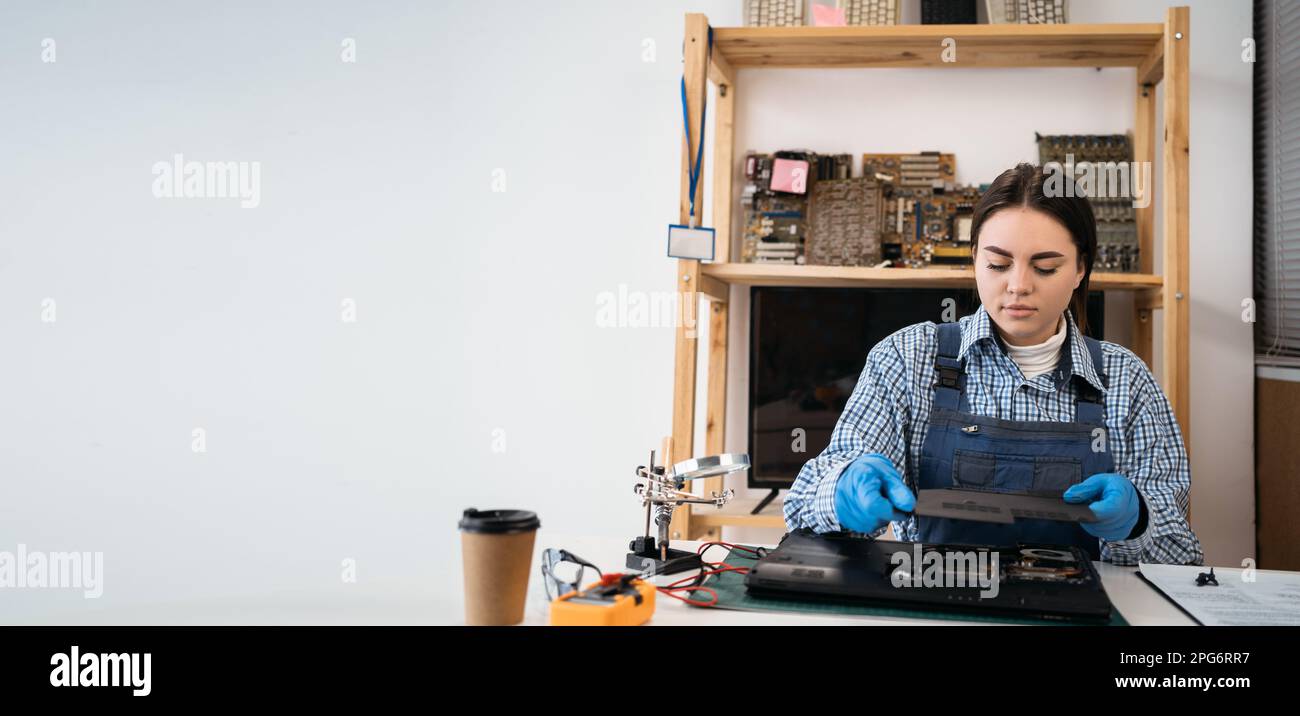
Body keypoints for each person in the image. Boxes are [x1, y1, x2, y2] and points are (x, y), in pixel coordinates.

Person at [784, 163, 1202, 566]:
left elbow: (1181, 552)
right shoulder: (907, 359)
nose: (1018, 285)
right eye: (998, 264)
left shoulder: (1126, 380)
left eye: (1046, 267)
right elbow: (802, 507)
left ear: (1080, 269)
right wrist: (841, 492)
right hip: (937, 608)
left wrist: (1138, 520)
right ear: (974, 259)